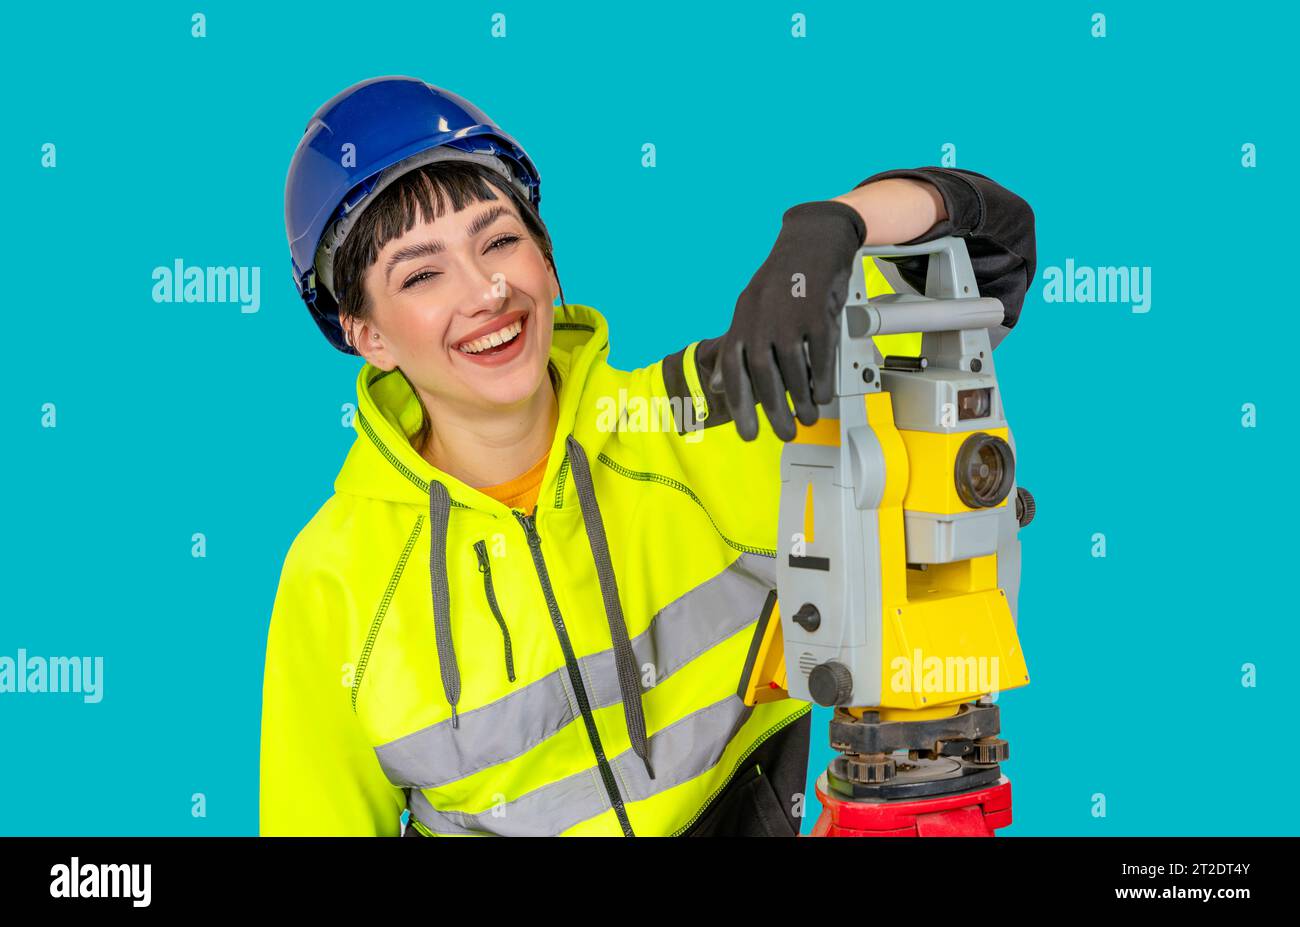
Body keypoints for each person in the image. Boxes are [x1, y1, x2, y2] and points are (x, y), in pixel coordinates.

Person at [260, 75, 1036, 836]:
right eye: (422, 273)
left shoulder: (714, 413)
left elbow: (998, 254)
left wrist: (836, 224)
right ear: (368, 335)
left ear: (546, 255)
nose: (487, 291)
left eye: (499, 239)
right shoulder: (335, 581)